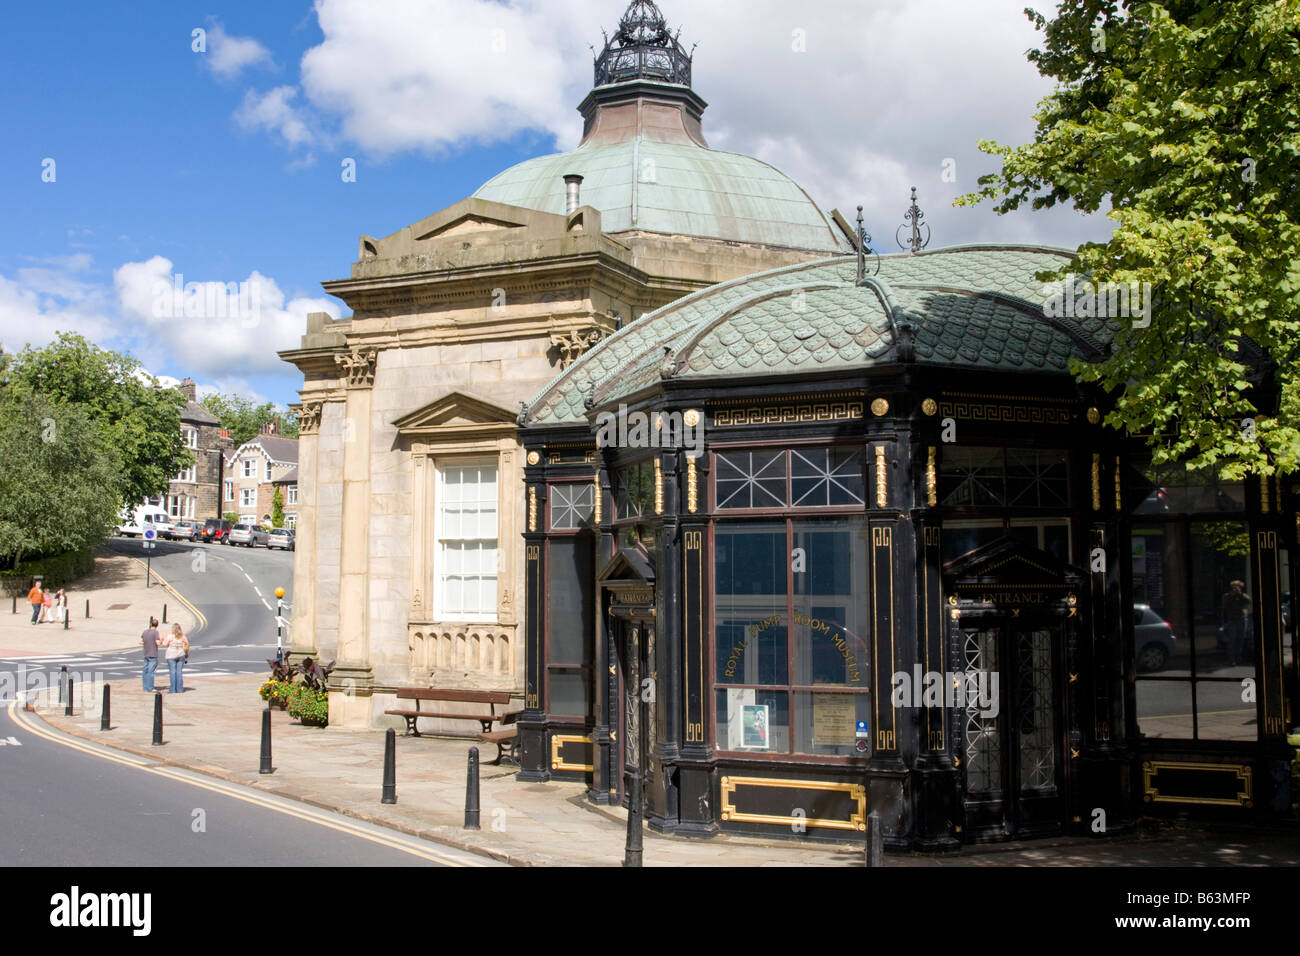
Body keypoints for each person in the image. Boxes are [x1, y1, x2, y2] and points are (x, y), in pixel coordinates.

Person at [1221, 580, 1252, 667]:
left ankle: (1238, 657)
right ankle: (1232, 659)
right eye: (1234, 587)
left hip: (1241, 619)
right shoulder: (1227, 596)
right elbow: (1224, 605)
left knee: (1240, 639)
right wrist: (1232, 596)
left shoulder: (1242, 596)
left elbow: (1249, 601)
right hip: (1232, 620)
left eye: (1237, 587)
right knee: (1232, 640)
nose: (1235, 589)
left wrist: (1240, 594)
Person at [160, 623, 189, 694]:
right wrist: (187, 654)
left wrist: (162, 639)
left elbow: (164, 644)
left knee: (172, 672)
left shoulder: (170, 636)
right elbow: (187, 645)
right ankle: (180, 689)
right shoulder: (182, 636)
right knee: (179, 672)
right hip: (181, 655)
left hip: (171, 655)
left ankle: (172, 689)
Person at [141, 617, 161, 692]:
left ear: (151, 624)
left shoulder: (145, 632)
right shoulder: (155, 632)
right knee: (151, 672)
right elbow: (157, 643)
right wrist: (161, 641)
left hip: (146, 653)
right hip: (153, 654)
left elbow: (141, 641)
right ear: (157, 625)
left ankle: (145, 687)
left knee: (145, 671)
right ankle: (150, 687)